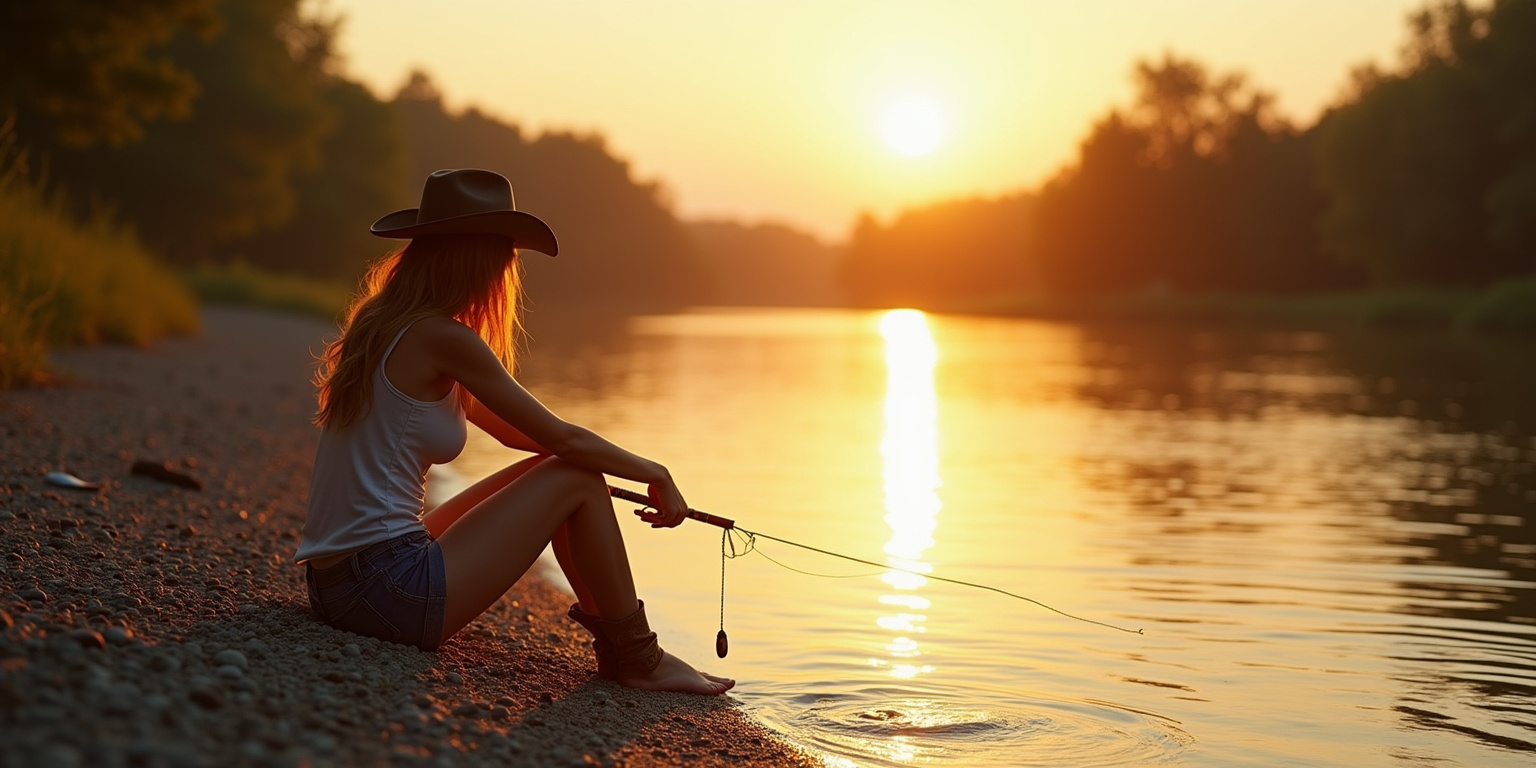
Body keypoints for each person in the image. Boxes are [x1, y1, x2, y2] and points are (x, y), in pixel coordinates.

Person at [295, 168, 732, 695]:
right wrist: (655, 472)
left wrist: (586, 467)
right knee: (576, 479)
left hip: (335, 585)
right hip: (385, 593)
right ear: (486, 260)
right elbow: (565, 441)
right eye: (508, 258)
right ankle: (639, 657)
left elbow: (526, 437)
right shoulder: (443, 338)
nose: (510, 272)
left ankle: (625, 652)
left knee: (560, 473)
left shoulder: (388, 322)